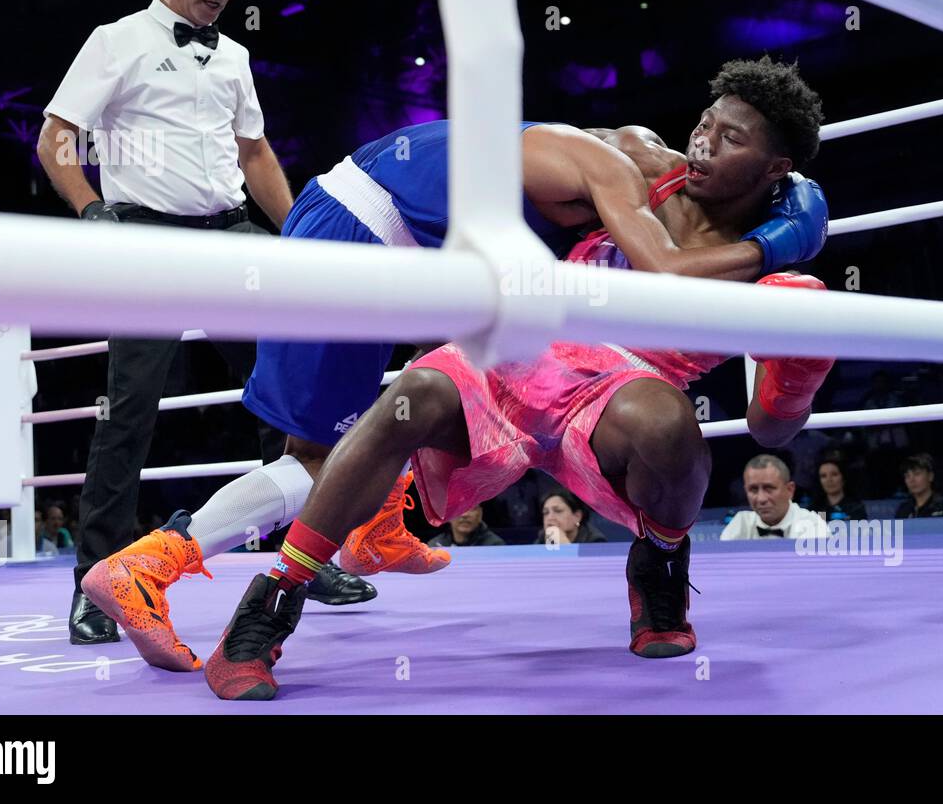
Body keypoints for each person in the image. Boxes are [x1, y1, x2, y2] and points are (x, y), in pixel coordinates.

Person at [83, 57, 829, 673]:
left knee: (351, 437)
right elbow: (663, 268)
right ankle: (153, 562)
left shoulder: (621, 184)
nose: (699, 148)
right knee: (327, 454)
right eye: (704, 128)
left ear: (774, 167)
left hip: (394, 242)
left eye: (726, 140)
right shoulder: (628, 166)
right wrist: (776, 242)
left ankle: (380, 525)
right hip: (371, 235)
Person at [37, 0, 378, 645]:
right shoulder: (117, 38)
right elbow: (57, 136)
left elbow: (255, 155)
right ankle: (96, 586)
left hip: (231, 237)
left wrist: (301, 238)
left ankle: (302, 558)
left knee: (292, 399)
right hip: (147, 239)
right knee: (127, 413)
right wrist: (92, 211)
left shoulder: (236, 58)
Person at [720, 455, 829, 540]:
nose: (761, 499)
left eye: (769, 488)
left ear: (790, 490)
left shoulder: (812, 525)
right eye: (753, 489)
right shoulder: (740, 523)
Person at [894, 453, 943, 518]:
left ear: (930, 476)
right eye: (907, 476)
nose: (911, 480)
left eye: (917, 474)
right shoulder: (903, 510)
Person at [534, 487, 606, 545]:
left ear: (577, 517)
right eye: (546, 512)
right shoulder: (542, 538)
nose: (550, 518)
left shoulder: (595, 541)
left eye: (558, 511)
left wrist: (564, 546)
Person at [807, 457, 866, 522]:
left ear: (843, 478)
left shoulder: (855, 508)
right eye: (823, 476)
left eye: (834, 474)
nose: (829, 480)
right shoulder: (814, 510)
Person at [428, 502, 506, 548]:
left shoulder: (494, 546)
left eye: (471, 508)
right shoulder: (435, 546)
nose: (464, 515)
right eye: (458, 508)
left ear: (480, 514)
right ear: (447, 516)